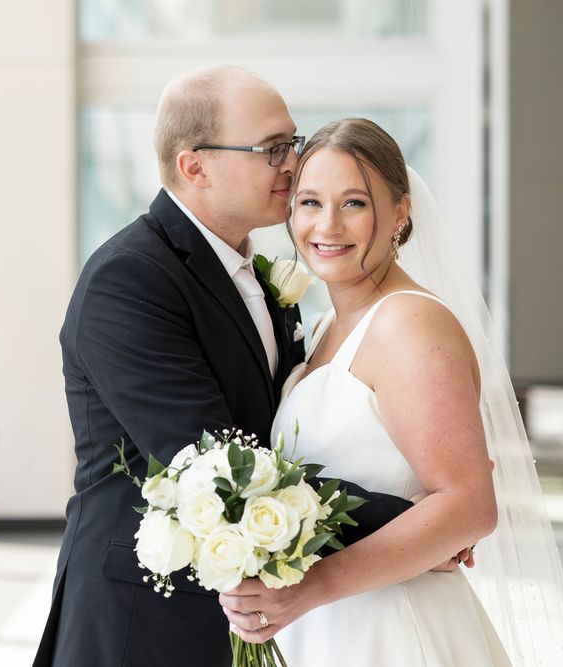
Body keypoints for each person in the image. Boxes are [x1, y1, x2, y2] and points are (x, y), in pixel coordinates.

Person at [32, 70, 413, 667]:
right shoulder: (129, 279)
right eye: (272, 149)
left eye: (293, 142)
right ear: (195, 167)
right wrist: (412, 527)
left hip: (249, 610)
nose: (294, 164)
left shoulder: (252, 274)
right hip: (142, 624)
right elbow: (220, 467)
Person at [220, 118, 563, 665]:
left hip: (392, 627)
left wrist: (309, 589)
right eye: (311, 202)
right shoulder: (323, 327)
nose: (327, 224)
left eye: (354, 203)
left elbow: (469, 507)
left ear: (400, 212)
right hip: (325, 627)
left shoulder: (408, 324)